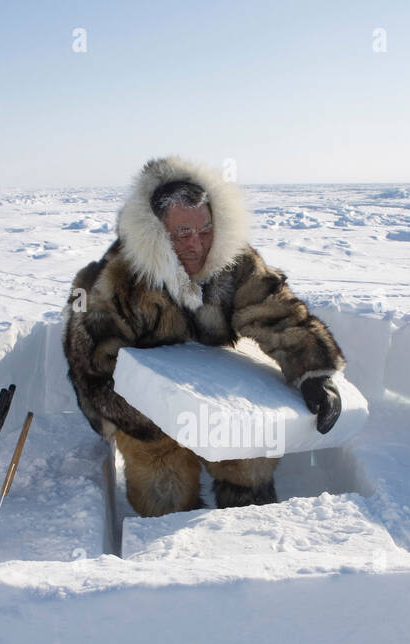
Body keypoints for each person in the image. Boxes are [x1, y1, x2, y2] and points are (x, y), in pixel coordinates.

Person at [62, 155, 346, 517]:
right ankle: (169, 557)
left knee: (250, 454)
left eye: (205, 229)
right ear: (157, 233)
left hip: (219, 396)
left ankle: (252, 536)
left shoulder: (235, 263)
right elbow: (92, 369)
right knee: (162, 479)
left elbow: (276, 313)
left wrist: (315, 372)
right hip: (144, 412)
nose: (198, 244)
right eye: (183, 233)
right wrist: (164, 417)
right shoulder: (115, 281)